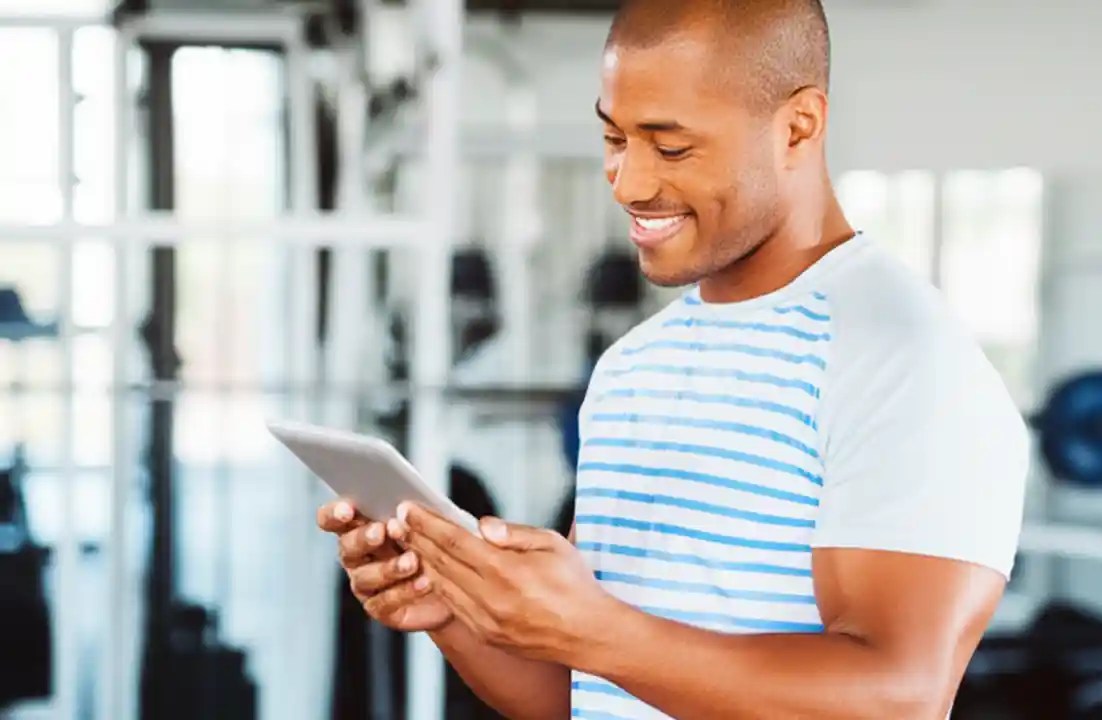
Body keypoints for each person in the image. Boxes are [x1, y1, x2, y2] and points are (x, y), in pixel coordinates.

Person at [318, 0, 1028, 717]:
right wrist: (459, 613)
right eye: (615, 137)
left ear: (799, 126)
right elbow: (582, 692)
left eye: (672, 147)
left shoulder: (901, 360)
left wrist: (598, 633)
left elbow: (899, 700)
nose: (627, 182)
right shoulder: (633, 368)